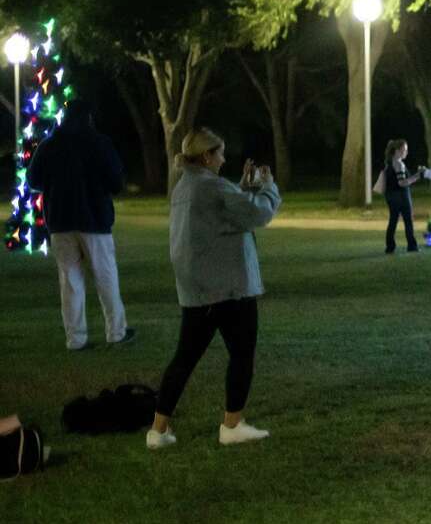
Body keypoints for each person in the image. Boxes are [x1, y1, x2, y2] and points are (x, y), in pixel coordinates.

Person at [145, 128, 282, 450]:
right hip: (228, 288)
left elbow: (226, 214)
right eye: (220, 153)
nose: (224, 159)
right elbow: (257, 213)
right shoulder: (210, 186)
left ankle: (158, 430)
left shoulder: (185, 186)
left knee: (184, 358)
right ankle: (232, 424)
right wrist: (267, 186)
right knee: (242, 354)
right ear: (207, 156)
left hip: (197, 288)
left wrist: (244, 186)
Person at [27, 100, 132, 351]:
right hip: (95, 220)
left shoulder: (49, 144)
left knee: (70, 281)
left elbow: (33, 180)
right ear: (88, 117)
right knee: (106, 277)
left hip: (60, 221)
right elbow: (116, 182)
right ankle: (116, 332)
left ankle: (76, 339)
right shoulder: (100, 143)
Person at [380, 139, 424, 254]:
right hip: (401, 196)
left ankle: (390, 246)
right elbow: (402, 182)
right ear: (398, 151)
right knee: (408, 221)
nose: (406, 152)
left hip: (391, 196)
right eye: (405, 150)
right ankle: (412, 245)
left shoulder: (389, 162)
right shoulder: (399, 164)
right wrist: (417, 176)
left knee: (393, 221)